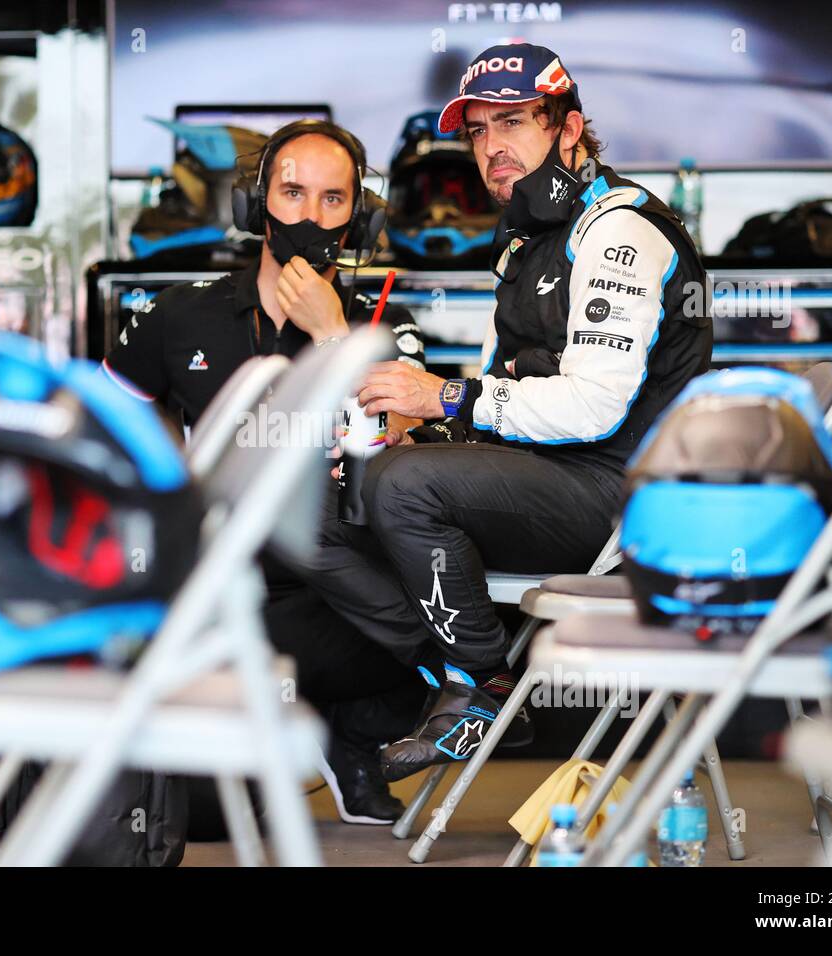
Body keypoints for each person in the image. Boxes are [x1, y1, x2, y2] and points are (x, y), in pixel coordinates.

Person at [302, 44, 713, 781]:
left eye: (514, 122)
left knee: (402, 486)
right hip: (553, 478)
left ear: (569, 128)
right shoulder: (527, 241)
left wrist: (445, 395)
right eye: (479, 131)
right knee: (322, 505)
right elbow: (503, 393)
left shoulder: (616, 231)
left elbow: (593, 406)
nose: (492, 147)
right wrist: (431, 423)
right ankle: (461, 673)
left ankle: (480, 685)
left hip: (628, 504)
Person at [101, 120, 429, 824]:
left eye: (333, 198)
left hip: (343, 586)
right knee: (211, 818)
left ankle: (353, 733)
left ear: (359, 216)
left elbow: (405, 436)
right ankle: (268, 715)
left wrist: (332, 329)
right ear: (256, 208)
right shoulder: (180, 312)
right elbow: (109, 418)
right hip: (223, 584)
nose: (311, 217)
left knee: (446, 613)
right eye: (291, 193)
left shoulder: (382, 322)